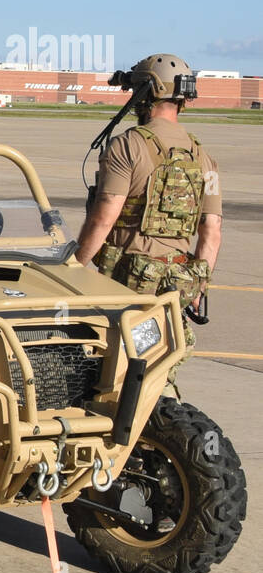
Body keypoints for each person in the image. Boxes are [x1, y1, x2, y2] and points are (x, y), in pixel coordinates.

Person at [75, 54, 222, 396]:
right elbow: (211, 231)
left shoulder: (128, 145)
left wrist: (76, 266)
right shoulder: (204, 157)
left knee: (109, 372)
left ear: (147, 92)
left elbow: (103, 216)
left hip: (125, 282)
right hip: (176, 282)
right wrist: (198, 286)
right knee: (158, 370)